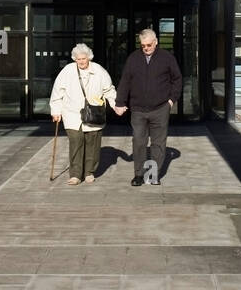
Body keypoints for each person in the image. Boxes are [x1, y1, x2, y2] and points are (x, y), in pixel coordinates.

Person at [115, 29, 182, 186]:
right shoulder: (133, 58)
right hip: (138, 109)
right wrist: (120, 102)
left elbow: (177, 80)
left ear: (156, 42)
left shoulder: (167, 58)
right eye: (143, 45)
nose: (146, 48)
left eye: (149, 45)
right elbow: (125, 81)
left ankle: (153, 174)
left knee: (158, 143)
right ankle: (139, 175)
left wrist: (171, 101)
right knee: (138, 142)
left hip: (160, 108)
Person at [49, 43, 118, 185]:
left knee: (92, 142)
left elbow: (109, 90)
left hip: (94, 112)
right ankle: (75, 174)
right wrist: (55, 110)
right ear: (74, 59)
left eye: (84, 58)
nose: (81, 61)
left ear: (89, 58)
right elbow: (57, 91)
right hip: (72, 113)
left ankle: (89, 172)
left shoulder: (99, 70)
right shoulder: (68, 71)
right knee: (76, 140)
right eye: (78, 59)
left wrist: (116, 105)